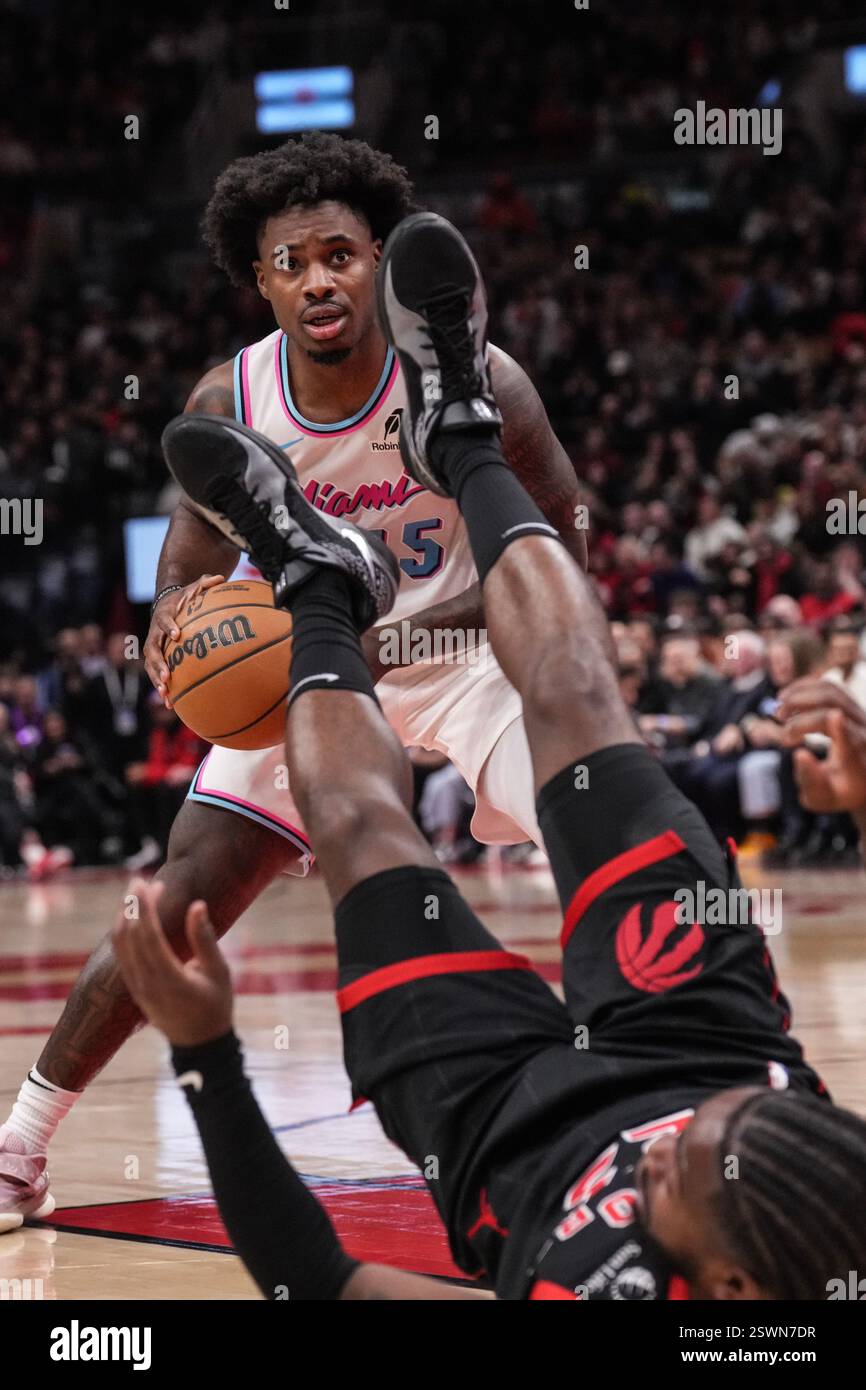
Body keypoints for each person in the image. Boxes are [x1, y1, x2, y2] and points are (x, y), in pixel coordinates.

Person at [110, 213, 866, 1299]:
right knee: (577, 701)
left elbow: (318, 1277)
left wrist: (208, 1059)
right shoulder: (788, 1202)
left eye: (679, 1167)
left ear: (722, 1289)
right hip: (709, 1039)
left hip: (502, 1134)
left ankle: (313, 579)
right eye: (704, 1142)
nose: (664, 1140)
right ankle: (458, 425)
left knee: (366, 831)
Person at [0, 132, 586, 1224]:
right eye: (289, 263)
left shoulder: (481, 374)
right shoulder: (233, 393)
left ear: (378, 259)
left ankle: (654, 1075)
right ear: (259, 281)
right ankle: (20, 1145)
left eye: (340, 254)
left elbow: (559, 554)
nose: (317, 278)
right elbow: (186, 563)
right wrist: (179, 637)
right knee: (175, 907)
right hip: (307, 662)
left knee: (589, 811)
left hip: (458, 651)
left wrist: (396, 641)